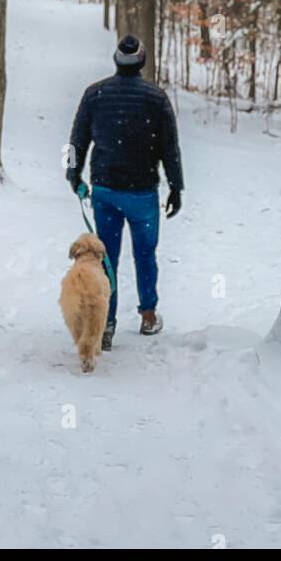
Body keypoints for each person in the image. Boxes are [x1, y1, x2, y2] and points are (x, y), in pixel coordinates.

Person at [64, 34, 183, 349]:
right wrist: (176, 186)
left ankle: (106, 324)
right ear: (141, 62)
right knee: (145, 254)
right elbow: (170, 148)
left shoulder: (95, 94)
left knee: (106, 260)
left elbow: (76, 139)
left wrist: (72, 173)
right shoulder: (156, 99)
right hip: (142, 194)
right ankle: (148, 315)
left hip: (105, 192)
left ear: (116, 61)